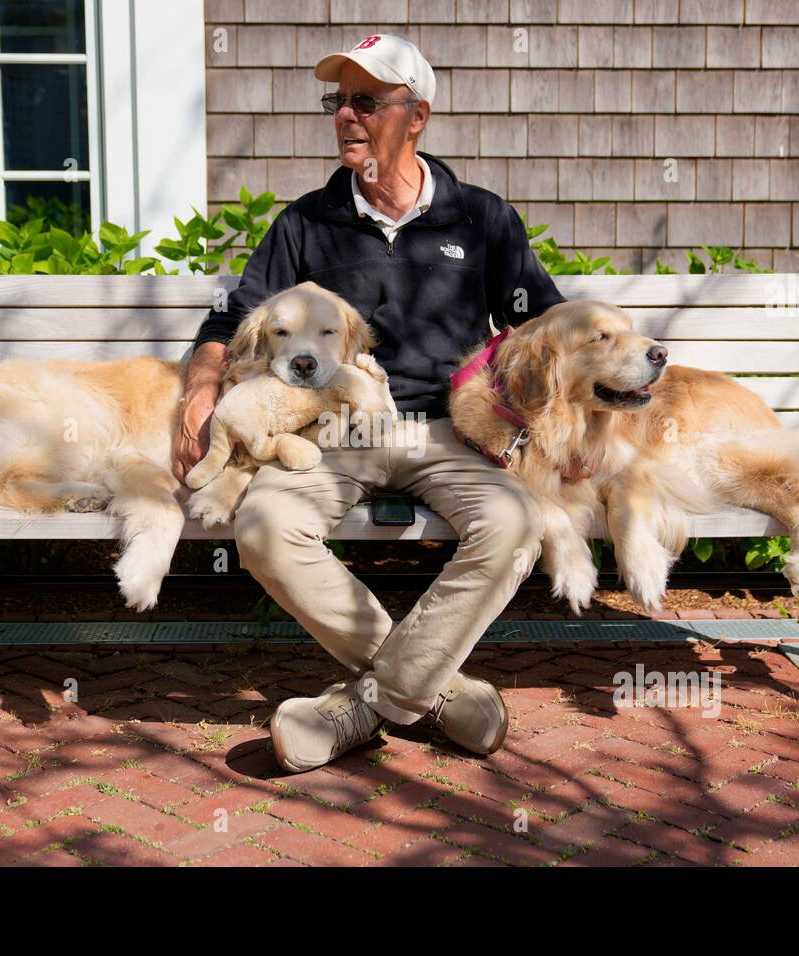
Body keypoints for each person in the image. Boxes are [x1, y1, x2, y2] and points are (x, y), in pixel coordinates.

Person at [176, 34, 570, 773]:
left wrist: (554, 416)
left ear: (416, 117)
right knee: (262, 526)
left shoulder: (481, 219)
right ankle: (436, 694)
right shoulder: (305, 221)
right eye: (339, 101)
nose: (346, 116)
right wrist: (201, 387)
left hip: (448, 433)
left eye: (366, 100)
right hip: (326, 432)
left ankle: (363, 707)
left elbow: (540, 325)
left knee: (516, 524)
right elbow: (231, 321)